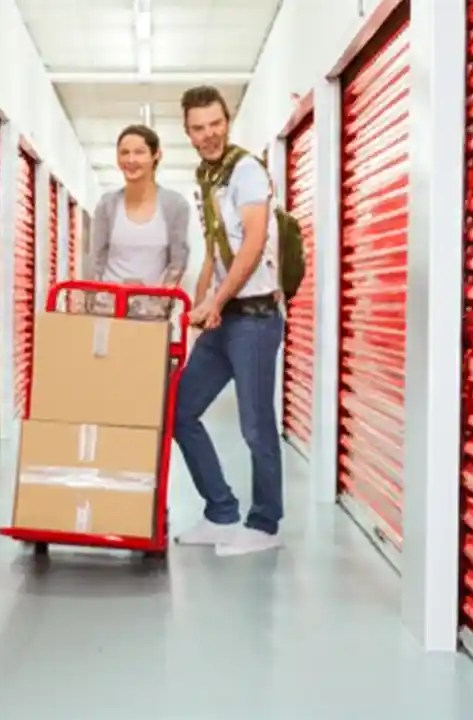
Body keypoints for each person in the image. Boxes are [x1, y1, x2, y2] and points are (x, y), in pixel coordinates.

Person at [173, 85, 285, 556]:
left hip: (255, 318)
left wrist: (216, 302)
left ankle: (264, 525)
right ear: (188, 132)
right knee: (180, 409)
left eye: (215, 123)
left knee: (256, 426)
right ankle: (221, 511)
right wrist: (195, 311)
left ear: (228, 119)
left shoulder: (245, 172)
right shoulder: (209, 177)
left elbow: (253, 243)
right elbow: (214, 254)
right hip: (224, 318)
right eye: (198, 128)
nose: (208, 134)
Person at [86, 124, 190, 317]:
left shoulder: (175, 205)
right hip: (107, 308)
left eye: (139, 152)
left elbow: (178, 260)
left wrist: (162, 302)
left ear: (156, 155)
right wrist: (90, 302)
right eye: (124, 153)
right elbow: (97, 259)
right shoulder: (107, 204)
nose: (131, 160)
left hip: (150, 310)